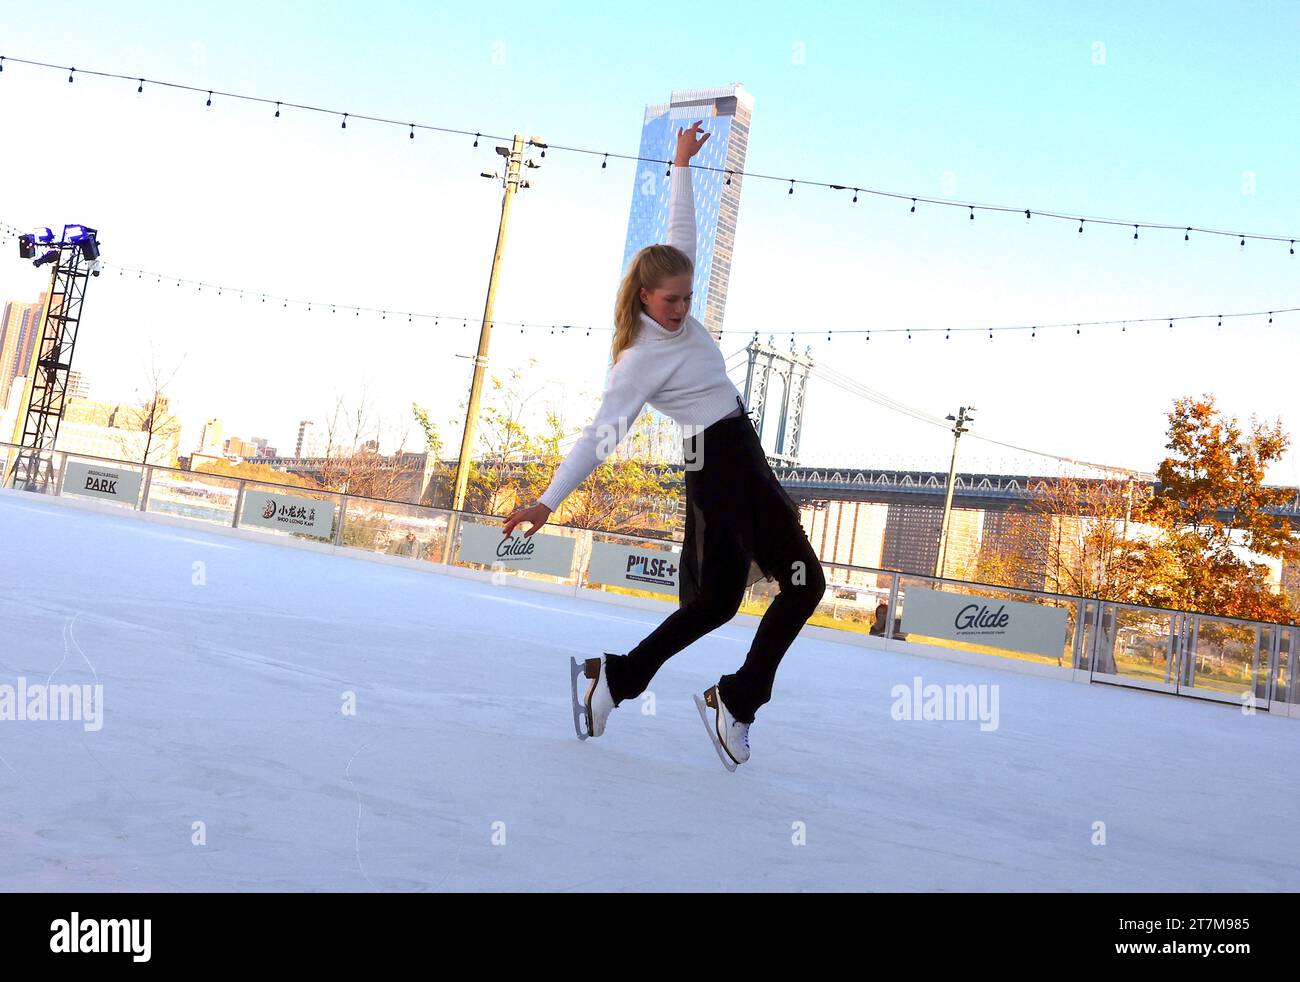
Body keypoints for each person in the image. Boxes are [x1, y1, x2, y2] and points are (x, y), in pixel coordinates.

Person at [501, 121, 826, 768]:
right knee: (799, 584)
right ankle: (732, 700)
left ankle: (617, 680)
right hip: (721, 462)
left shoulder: (671, 291)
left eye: (686, 299)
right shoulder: (639, 360)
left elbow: (684, 232)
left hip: (731, 454)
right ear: (644, 298)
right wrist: (546, 501)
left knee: (727, 601)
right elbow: (601, 437)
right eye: (671, 302)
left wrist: (681, 163)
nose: (681, 310)